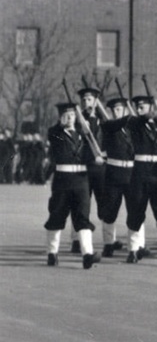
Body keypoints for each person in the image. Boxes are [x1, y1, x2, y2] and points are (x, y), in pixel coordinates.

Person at [110, 94, 157, 266]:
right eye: (137, 106)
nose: (139, 109)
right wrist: (151, 116)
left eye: (143, 106)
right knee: (136, 210)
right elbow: (139, 120)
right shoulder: (135, 123)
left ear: (151, 107)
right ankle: (134, 250)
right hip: (140, 172)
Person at [44, 102, 102, 269]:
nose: (69, 118)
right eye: (66, 115)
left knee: (82, 217)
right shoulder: (55, 133)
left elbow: (93, 138)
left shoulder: (84, 134)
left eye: (72, 115)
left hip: (81, 180)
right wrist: (59, 125)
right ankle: (52, 252)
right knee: (57, 215)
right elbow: (53, 137)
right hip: (62, 179)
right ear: (61, 117)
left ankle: (87, 255)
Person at [69, 85, 106, 253]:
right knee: (79, 204)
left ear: (96, 101)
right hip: (82, 167)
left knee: (105, 205)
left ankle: (109, 241)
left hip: (100, 168)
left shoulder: (104, 119)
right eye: (83, 100)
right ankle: (77, 240)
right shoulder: (76, 120)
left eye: (89, 99)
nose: (86, 102)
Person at [98, 96, 134, 257]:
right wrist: (129, 117)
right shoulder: (108, 125)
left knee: (135, 210)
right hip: (114, 173)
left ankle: (136, 246)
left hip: (132, 173)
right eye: (113, 110)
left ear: (125, 109)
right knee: (110, 210)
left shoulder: (133, 128)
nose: (115, 113)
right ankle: (108, 243)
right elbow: (116, 124)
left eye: (119, 109)